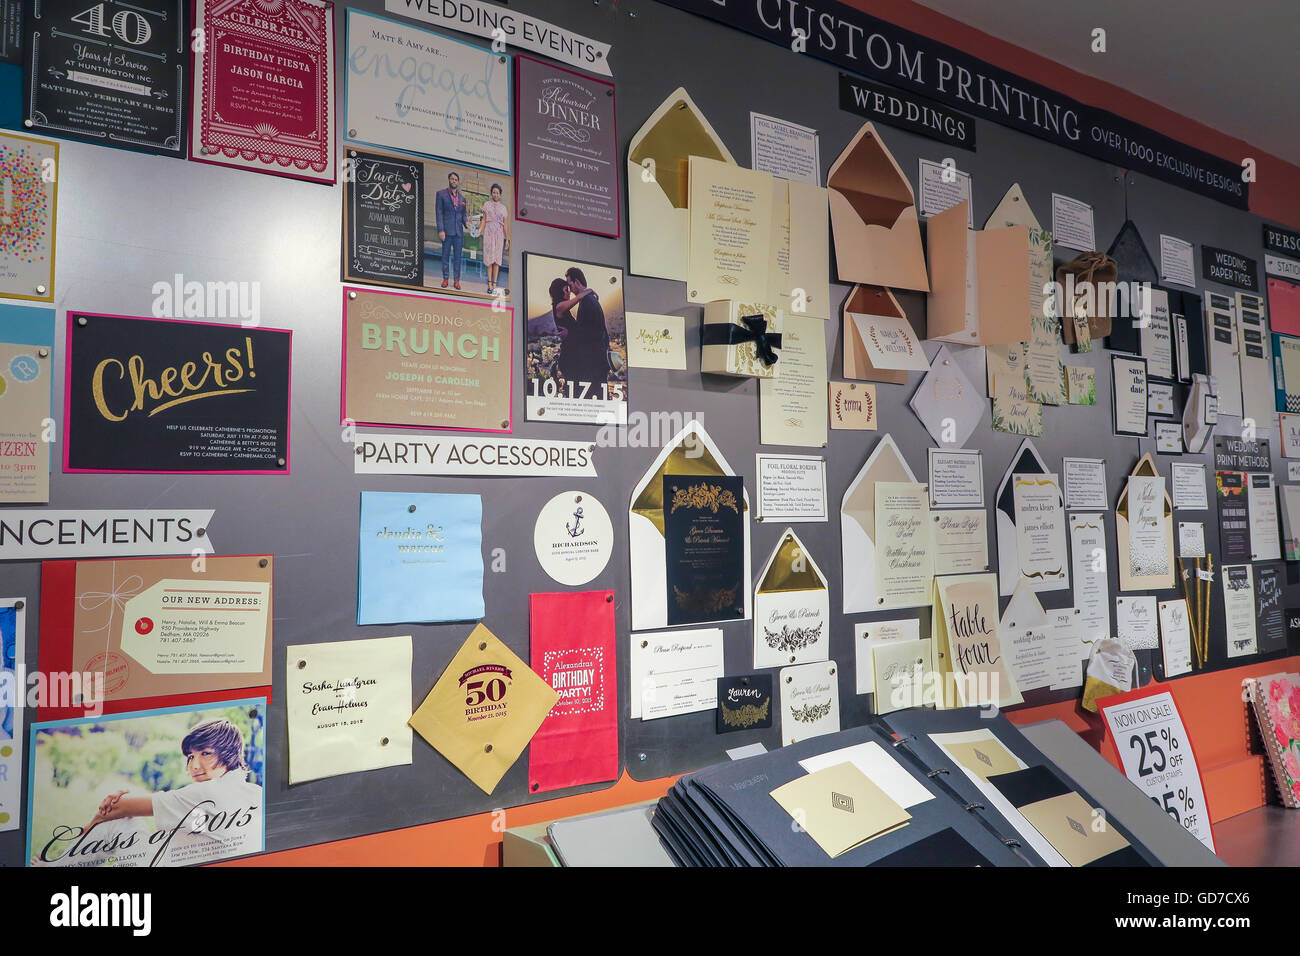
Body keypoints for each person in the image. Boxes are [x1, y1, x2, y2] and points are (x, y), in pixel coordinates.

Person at [38, 717, 263, 867]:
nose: (194, 766)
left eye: (205, 753)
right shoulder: (255, 792)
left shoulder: (206, 793)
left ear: (229, 754)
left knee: (118, 822)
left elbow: (118, 809)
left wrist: (89, 827)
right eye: (191, 757)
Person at [552, 267, 610, 390]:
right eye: (566, 289)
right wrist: (589, 291)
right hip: (577, 360)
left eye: (569, 286)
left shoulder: (587, 302)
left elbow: (592, 333)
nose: (569, 291)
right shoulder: (562, 306)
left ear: (577, 282)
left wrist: (570, 333)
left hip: (590, 363)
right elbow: (592, 332)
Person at [435, 171, 470, 290]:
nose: (454, 181)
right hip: (446, 231)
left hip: (458, 233)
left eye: (456, 179)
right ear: (449, 180)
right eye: (452, 179)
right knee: (445, 256)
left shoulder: (463, 198)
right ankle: (445, 279)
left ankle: (456, 281)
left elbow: (463, 215)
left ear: (458, 182)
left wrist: (467, 223)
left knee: (458, 258)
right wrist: (441, 230)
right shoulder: (441, 194)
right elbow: (439, 213)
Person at [482, 183, 509, 295]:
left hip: (499, 234)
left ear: (500, 195)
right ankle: (489, 284)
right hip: (489, 233)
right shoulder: (487, 205)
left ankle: (494, 284)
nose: (495, 194)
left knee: (497, 260)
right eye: (494, 192)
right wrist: (479, 230)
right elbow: (483, 220)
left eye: (497, 193)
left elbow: (505, 225)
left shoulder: (503, 208)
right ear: (491, 193)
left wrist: (507, 239)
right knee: (489, 260)